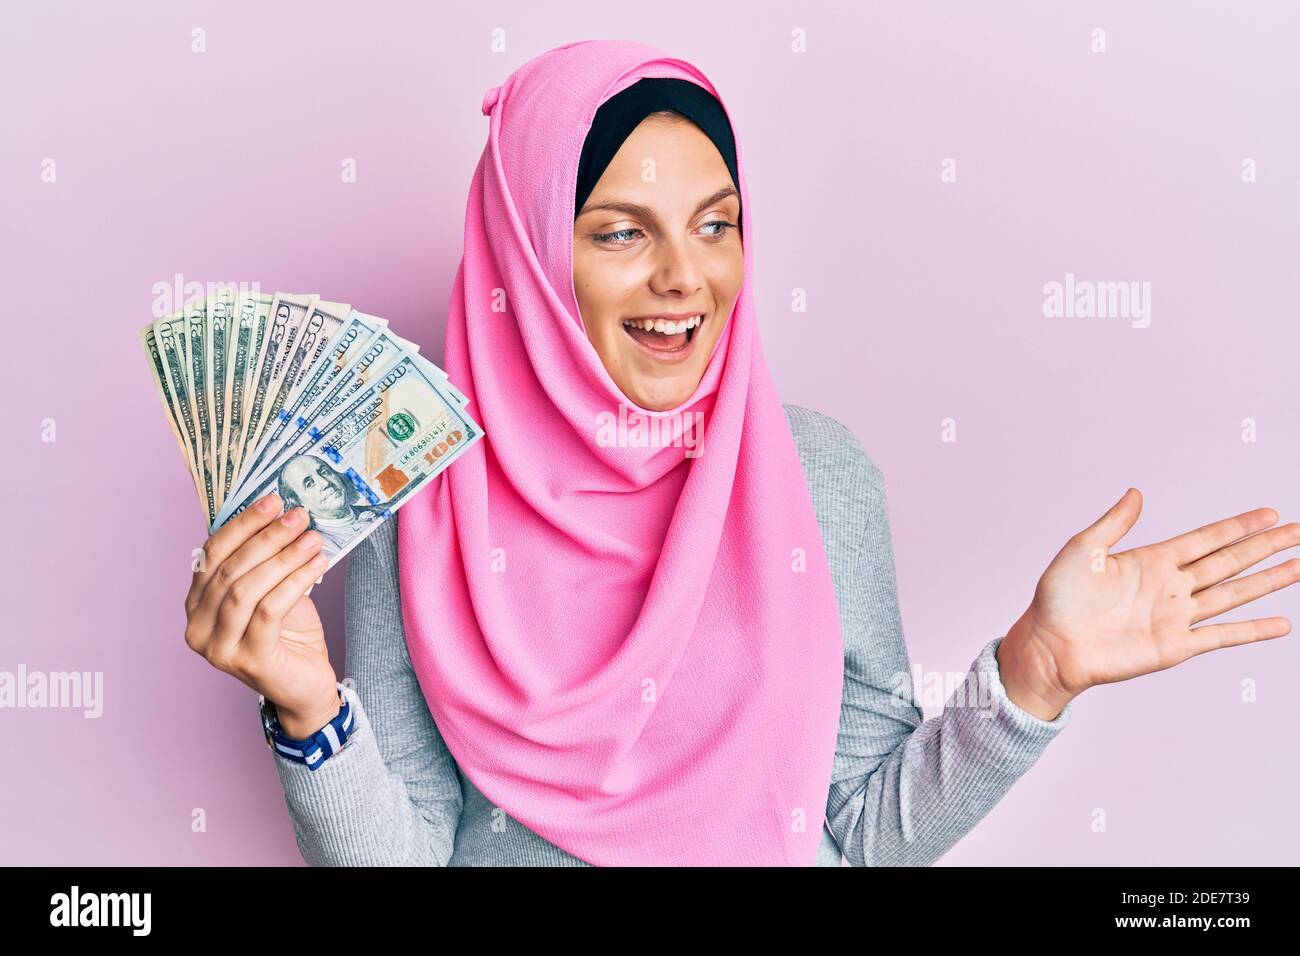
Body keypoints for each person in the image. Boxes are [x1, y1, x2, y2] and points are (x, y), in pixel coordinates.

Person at [181, 39, 1300, 866]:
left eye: (716, 223)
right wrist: (306, 706)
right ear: (524, 253)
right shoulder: (423, 500)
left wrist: (1033, 674)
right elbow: (407, 853)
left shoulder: (817, 478)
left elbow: (859, 832)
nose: (687, 278)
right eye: (623, 230)